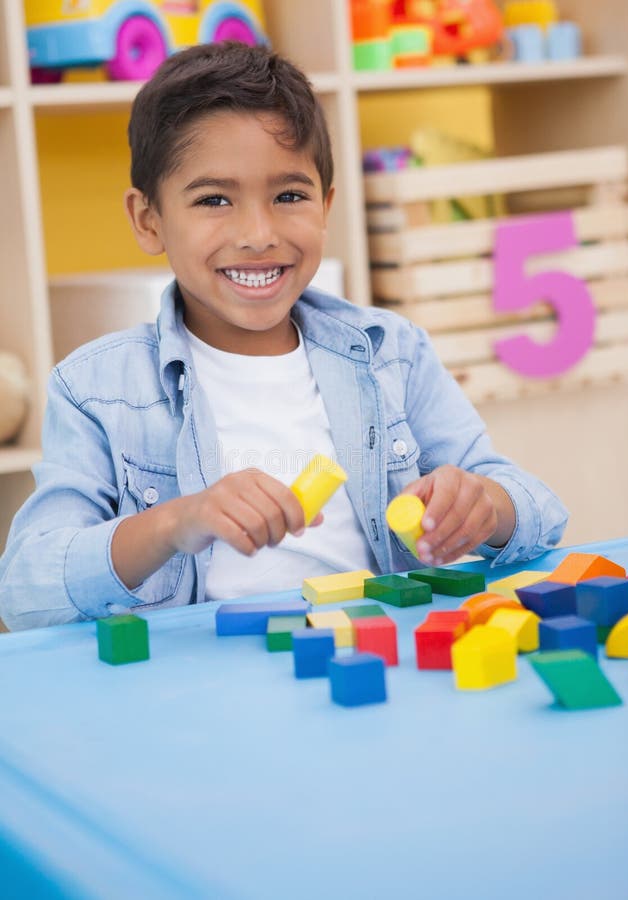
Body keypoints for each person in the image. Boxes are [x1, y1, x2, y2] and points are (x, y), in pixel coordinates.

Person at [0, 42, 567, 631]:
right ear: (149, 220)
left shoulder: (391, 353)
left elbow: (539, 510)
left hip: (374, 660)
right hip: (196, 688)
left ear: (325, 205)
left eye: (289, 196)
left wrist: (483, 506)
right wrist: (175, 523)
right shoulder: (95, 387)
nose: (257, 233)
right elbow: (24, 590)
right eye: (213, 199)